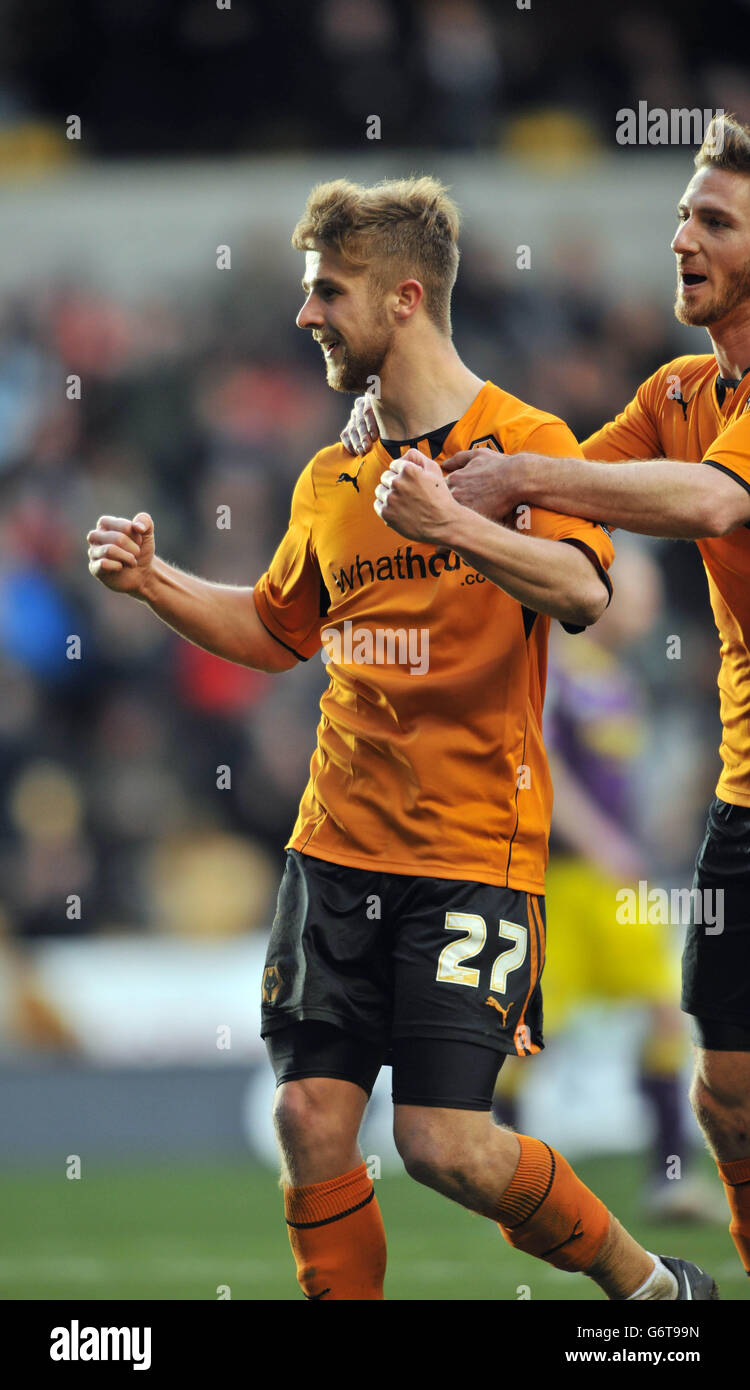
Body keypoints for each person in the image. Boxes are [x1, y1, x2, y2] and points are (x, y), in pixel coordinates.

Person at [87, 176, 715, 1301]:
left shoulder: (526, 443)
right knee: (307, 1114)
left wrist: (452, 521)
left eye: (328, 290)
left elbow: (582, 589)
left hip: (469, 856)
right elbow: (278, 631)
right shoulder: (332, 474)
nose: (307, 313)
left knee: (445, 1145)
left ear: (404, 299)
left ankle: (654, 1290)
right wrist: (154, 582)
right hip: (333, 852)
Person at [342, 114, 750, 1279]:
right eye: (681, 212)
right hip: (741, 797)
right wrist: (416, 429)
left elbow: (712, 504)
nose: (681, 236)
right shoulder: (678, 391)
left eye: (714, 220)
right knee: (727, 1096)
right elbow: (552, 477)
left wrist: (514, 470)